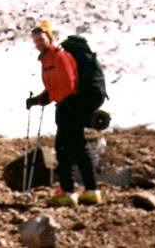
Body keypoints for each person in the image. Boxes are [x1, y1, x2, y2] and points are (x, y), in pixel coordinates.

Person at [25, 20, 102, 207]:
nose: (38, 43)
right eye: (35, 40)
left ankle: (68, 192)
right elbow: (55, 87)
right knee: (77, 148)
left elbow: (67, 86)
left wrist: (48, 98)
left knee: (64, 149)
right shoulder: (46, 60)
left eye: (41, 39)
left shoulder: (59, 56)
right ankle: (90, 191)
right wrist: (39, 99)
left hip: (71, 106)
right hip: (66, 106)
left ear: (49, 38)